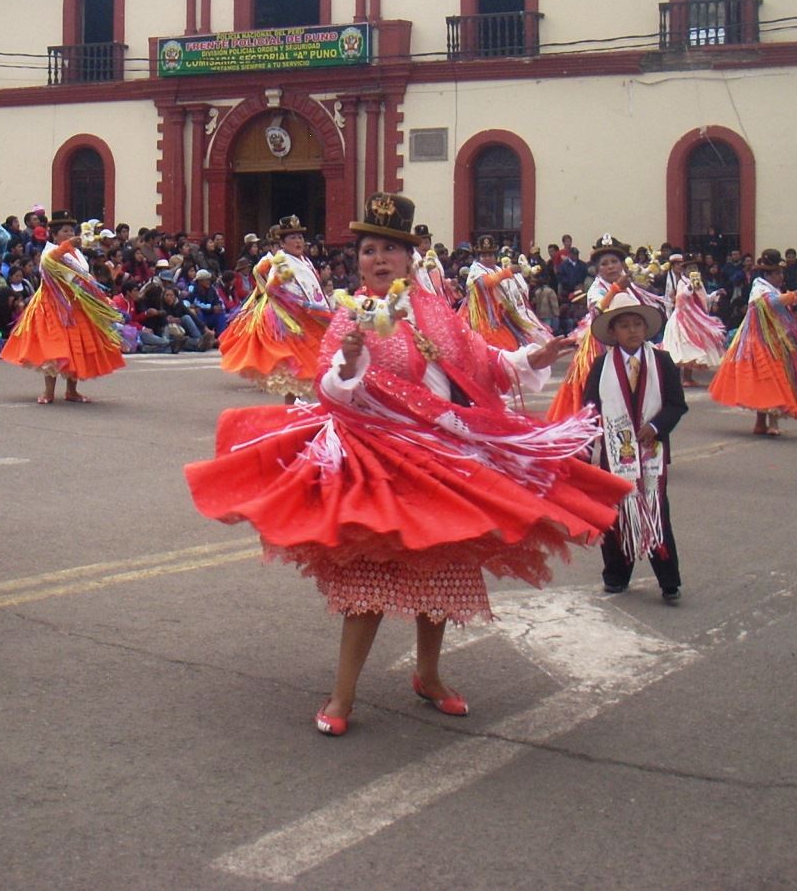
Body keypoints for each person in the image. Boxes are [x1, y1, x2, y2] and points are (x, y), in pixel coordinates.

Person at [185, 192, 625, 737]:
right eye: (369, 249)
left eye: (391, 249)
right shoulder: (352, 313)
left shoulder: (438, 310)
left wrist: (532, 355)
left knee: (439, 573)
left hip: (442, 454)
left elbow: (482, 362)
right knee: (370, 582)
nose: (379, 258)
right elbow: (330, 389)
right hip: (379, 456)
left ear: (411, 257)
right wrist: (348, 359)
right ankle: (342, 694)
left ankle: (429, 675)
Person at [580, 291, 688, 601]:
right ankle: (616, 575)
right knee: (617, 516)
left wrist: (655, 427)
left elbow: (676, 405)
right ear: (612, 332)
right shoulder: (602, 366)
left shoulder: (662, 361)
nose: (632, 331)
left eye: (637, 324)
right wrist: (588, 446)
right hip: (615, 456)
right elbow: (589, 409)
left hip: (652, 453)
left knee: (656, 514)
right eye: (624, 325)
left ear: (646, 328)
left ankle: (669, 580)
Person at [1, 209, 125, 403]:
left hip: (76, 305)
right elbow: (48, 265)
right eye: (65, 231)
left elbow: (84, 277)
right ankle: (49, 391)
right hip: (52, 305)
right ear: (55, 234)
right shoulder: (50, 251)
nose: (69, 234)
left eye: (70, 231)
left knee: (76, 347)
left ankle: (72, 391)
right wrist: (67, 246)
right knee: (54, 348)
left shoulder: (77, 254)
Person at [547, 234, 666, 420]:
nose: (610, 266)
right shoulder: (595, 289)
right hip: (601, 344)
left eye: (614, 261)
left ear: (622, 265)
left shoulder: (632, 286)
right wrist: (616, 289)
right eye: (604, 264)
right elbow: (598, 313)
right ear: (597, 269)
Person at [217, 215, 331, 401]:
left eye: (300, 237)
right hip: (288, 320)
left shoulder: (305, 261)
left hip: (306, 317)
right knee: (293, 368)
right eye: (293, 238)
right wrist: (281, 286)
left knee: (306, 365)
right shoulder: (280, 261)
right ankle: (291, 411)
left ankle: (299, 407)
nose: (298, 241)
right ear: (282, 243)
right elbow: (271, 287)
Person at [708, 249, 797, 437]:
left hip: (770, 339)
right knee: (772, 378)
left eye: (781, 273)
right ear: (769, 274)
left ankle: (761, 422)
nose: (781, 276)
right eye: (777, 273)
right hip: (760, 341)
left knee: (765, 379)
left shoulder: (767, 287)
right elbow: (772, 303)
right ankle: (771, 422)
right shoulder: (761, 289)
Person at [462, 236, 551, 351]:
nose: (487, 259)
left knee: (513, 344)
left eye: (490, 255)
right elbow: (486, 283)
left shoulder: (497, 269)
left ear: (496, 257)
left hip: (501, 316)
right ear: (479, 258)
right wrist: (508, 272)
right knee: (495, 347)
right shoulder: (476, 271)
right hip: (484, 319)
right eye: (484, 256)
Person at [658, 267, 727, 386]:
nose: (692, 270)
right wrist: (688, 288)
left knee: (692, 347)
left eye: (695, 268)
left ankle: (687, 377)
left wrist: (716, 293)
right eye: (690, 268)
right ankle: (678, 378)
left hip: (695, 319)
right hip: (682, 320)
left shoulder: (699, 283)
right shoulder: (682, 283)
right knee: (682, 347)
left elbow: (705, 300)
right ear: (684, 271)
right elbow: (680, 299)